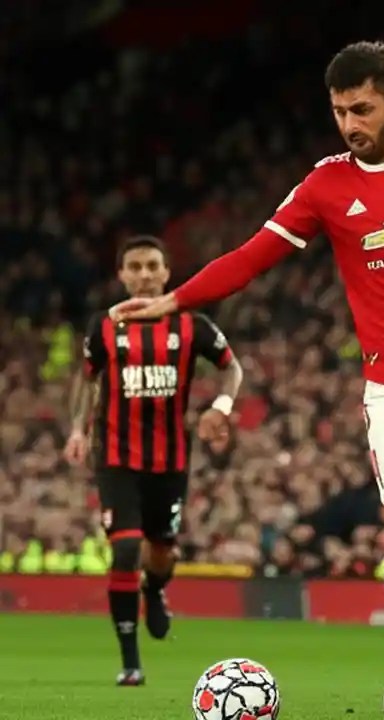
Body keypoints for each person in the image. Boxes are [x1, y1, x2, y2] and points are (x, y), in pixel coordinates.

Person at [111, 41, 384, 720]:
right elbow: (251, 257)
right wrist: (174, 300)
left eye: (362, 109)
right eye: (339, 111)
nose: (349, 124)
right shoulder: (325, 185)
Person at [65, 235, 244, 686]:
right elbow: (86, 380)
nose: (144, 275)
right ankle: (131, 661)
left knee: (161, 553)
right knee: (126, 547)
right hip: (116, 456)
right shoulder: (103, 327)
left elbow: (232, 368)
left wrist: (220, 407)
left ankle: (155, 590)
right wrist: (76, 429)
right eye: (135, 267)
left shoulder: (193, 325)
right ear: (122, 275)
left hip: (170, 460)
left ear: (166, 273)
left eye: (152, 266)